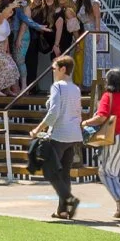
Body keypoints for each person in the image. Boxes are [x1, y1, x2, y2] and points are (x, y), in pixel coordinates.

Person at [29, 55, 84, 220]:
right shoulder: (75, 88)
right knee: (64, 173)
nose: (53, 71)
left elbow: (53, 112)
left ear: (63, 69)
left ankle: (69, 201)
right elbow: (77, 112)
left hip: (60, 134)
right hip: (73, 134)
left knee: (50, 171)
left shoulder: (57, 87)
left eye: (55, 68)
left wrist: (38, 128)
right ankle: (63, 210)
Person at [84, 70, 120, 219]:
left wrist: (86, 122)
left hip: (115, 136)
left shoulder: (108, 96)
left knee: (106, 171)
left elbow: (101, 117)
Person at [22, 0, 54, 88]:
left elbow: (39, 26)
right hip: (23, 38)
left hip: (33, 39)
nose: (38, 0)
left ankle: (31, 87)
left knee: (31, 63)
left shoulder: (41, 10)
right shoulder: (27, 7)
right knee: (22, 62)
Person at [74, 0, 106, 77]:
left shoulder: (93, 2)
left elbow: (97, 17)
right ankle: (90, 85)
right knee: (89, 57)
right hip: (87, 32)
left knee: (98, 56)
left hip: (95, 29)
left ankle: (100, 82)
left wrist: (97, 32)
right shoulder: (80, 3)